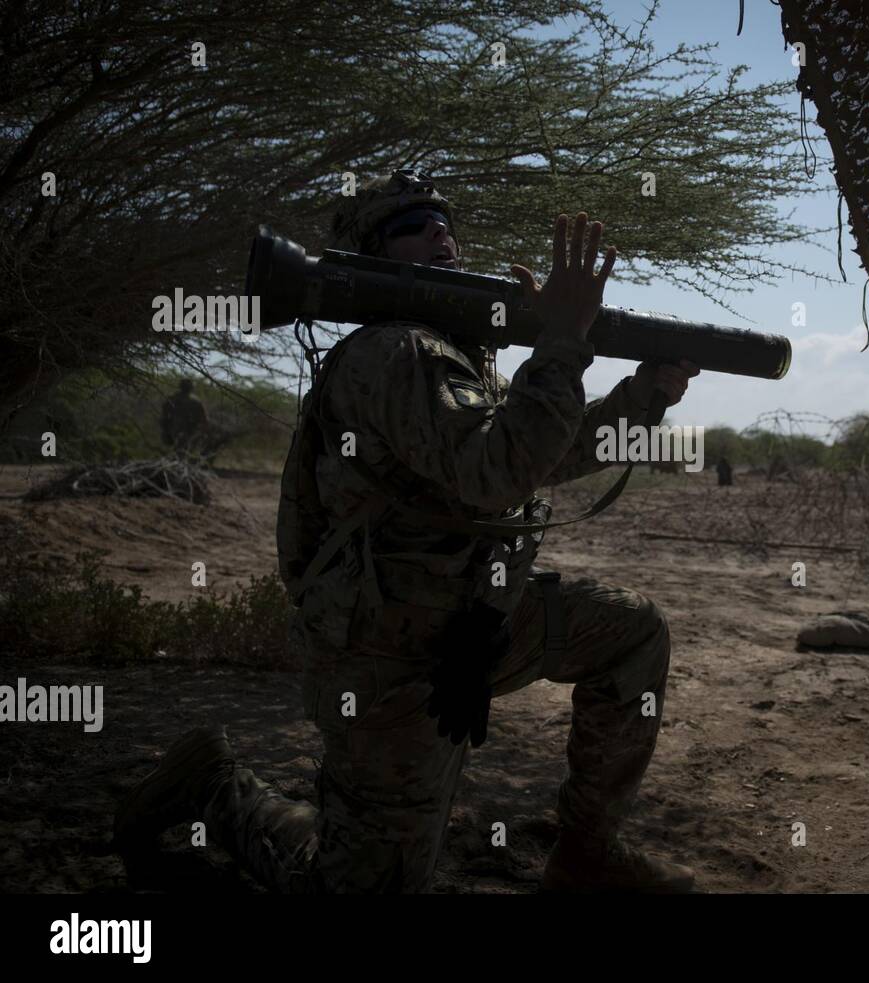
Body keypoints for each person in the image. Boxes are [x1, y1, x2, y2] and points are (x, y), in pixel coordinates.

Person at [115, 170, 701, 894]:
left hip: (472, 624)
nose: (440, 231)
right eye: (413, 225)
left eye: (443, 220)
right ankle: (217, 785)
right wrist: (561, 341)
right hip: (389, 658)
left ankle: (586, 851)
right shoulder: (393, 355)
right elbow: (499, 468)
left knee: (631, 633)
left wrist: (645, 395)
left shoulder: (452, 356)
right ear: (374, 260)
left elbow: (535, 456)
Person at [160, 379, 208, 455]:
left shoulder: (172, 398)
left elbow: (164, 415)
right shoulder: (195, 401)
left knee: (180, 450)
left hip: (176, 428)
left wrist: (165, 429)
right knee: (185, 450)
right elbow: (204, 419)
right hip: (187, 430)